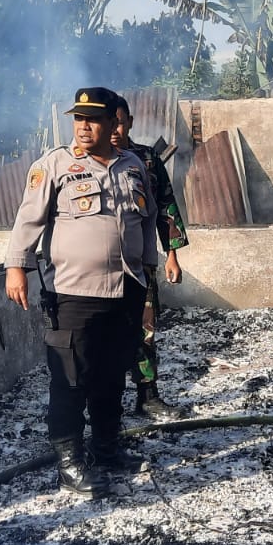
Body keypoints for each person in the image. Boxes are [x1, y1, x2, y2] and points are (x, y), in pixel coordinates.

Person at [5, 87, 158, 498]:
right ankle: (70, 465)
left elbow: (146, 226)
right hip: (73, 294)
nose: (84, 126)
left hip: (125, 289)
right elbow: (27, 219)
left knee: (111, 377)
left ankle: (107, 449)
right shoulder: (54, 165)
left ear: (113, 124)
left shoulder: (133, 167)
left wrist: (146, 289)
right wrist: (16, 267)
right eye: (78, 119)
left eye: (93, 119)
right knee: (70, 380)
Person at [111, 94, 189, 420]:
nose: (114, 129)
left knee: (145, 328)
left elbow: (165, 207)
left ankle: (147, 395)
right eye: (108, 122)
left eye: (120, 121)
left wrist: (172, 255)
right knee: (104, 332)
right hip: (101, 266)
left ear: (130, 122)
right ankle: (106, 400)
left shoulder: (146, 160)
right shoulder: (90, 162)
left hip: (140, 263)